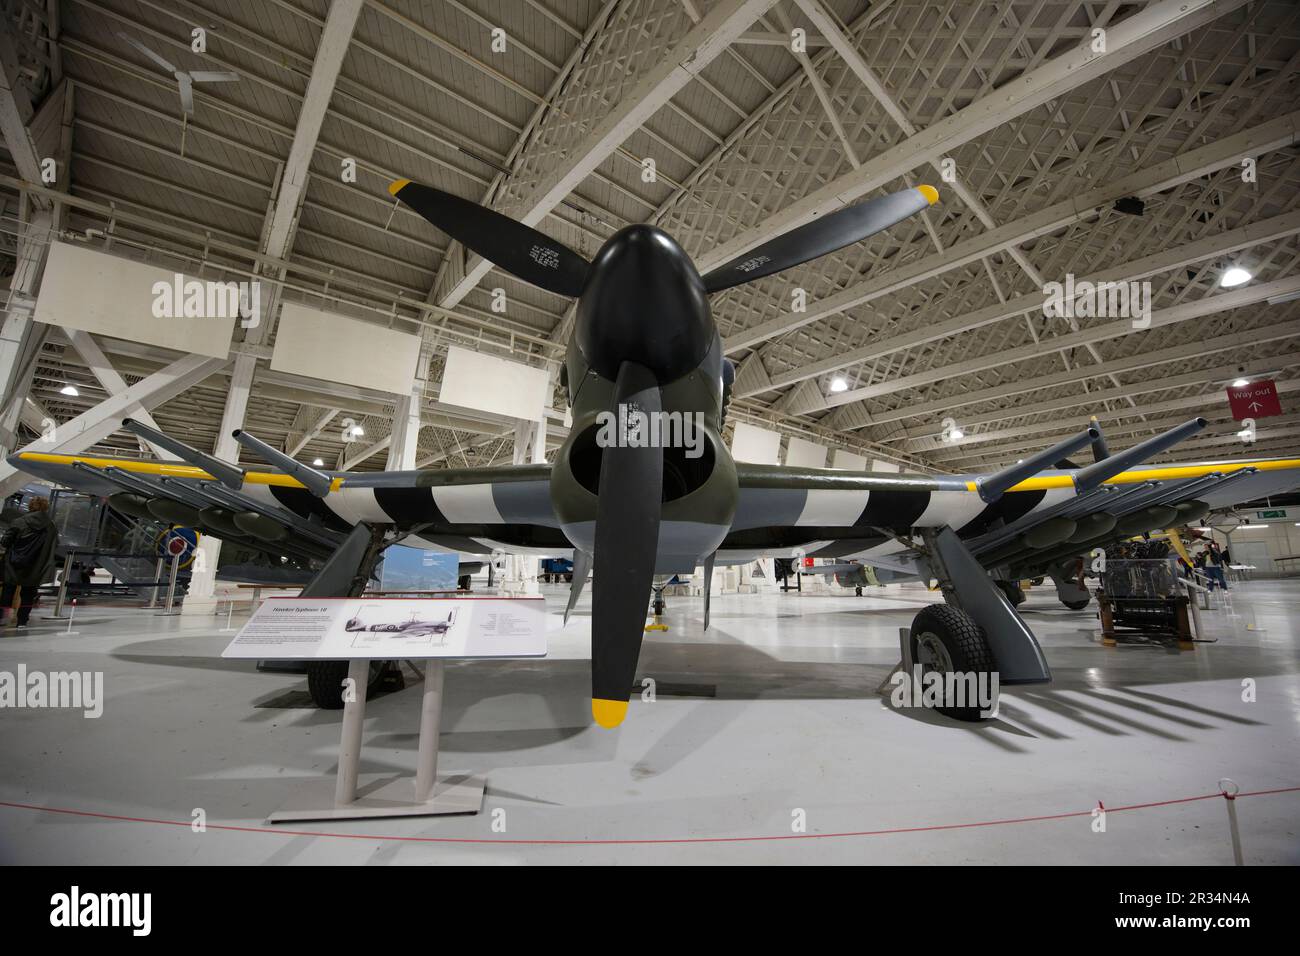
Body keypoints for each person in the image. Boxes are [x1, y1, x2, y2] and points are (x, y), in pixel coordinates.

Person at [0, 497, 59, 628]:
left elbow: (5, 541)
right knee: (28, 593)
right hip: (36, 565)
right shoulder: (51, 526)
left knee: (8, 590)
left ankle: (3, 618)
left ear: (30, 507)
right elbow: (55, 545)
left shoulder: (19, 521)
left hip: (13, 563)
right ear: (45, 508)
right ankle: (22, 621)